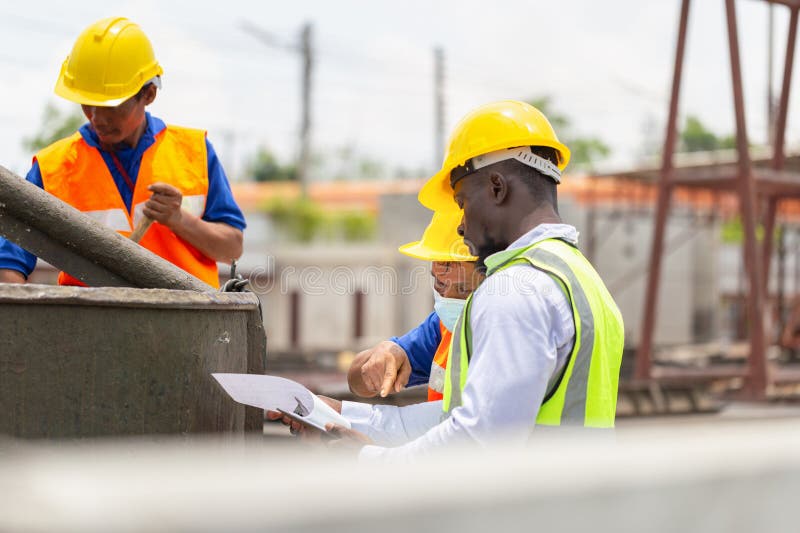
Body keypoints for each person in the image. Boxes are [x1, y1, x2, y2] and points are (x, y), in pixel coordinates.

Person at [276, 100, 625, 460]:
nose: (460, 224)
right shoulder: (578, 277)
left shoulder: (515, 290)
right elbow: (453, 419)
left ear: (496, 187)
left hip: (526, 510)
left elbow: (479, 439)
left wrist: (368, 461)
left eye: (462, 201)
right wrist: (341, 416)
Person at [0, 17, 245, 288]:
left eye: (111, 106)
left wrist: (179, 220)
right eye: (88, 104)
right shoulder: (53, 168)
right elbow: (9, 263)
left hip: (186, 324)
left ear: (148, 94)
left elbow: (231, 248)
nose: (97, 118)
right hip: (90, 327)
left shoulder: (193, 153)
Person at [347, 209, 483, 400]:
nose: (436, 271)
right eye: (434, 260)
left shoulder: (511, 334)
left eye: (463, 290)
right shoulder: (442, 327)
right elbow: (357, 379)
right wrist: (382, 356)